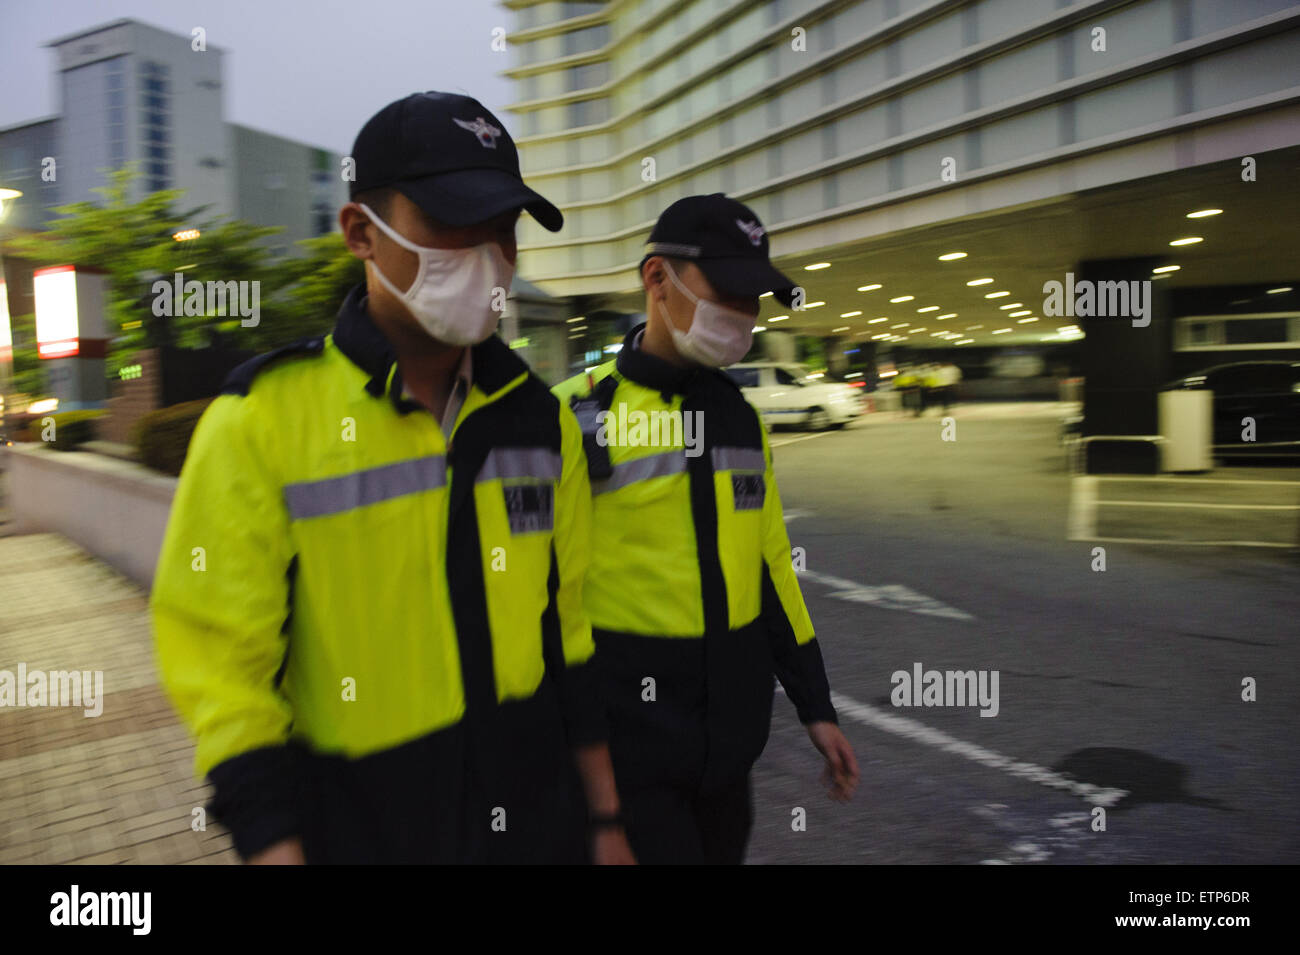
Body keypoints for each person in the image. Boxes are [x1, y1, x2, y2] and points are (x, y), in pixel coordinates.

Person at [151, 92, 634, 865]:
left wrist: (606, 822)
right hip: (363, 833)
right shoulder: (261, 422)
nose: (487, 255)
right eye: (451, 222)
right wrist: (274, 846)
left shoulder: (543, 425)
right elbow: (223, 677)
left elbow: (567, 635)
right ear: (359, 234)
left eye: (503, 228)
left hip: (540, 827)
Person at [553, 194, 859, 864]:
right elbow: (537, 601)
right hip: (628, 761)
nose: (743, 316)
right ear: (656, 278)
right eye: (728, 291)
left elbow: (771, 565)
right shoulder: (573, 418)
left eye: (754, 298)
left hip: (728, 756)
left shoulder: (740, 418)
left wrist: (817, 705)